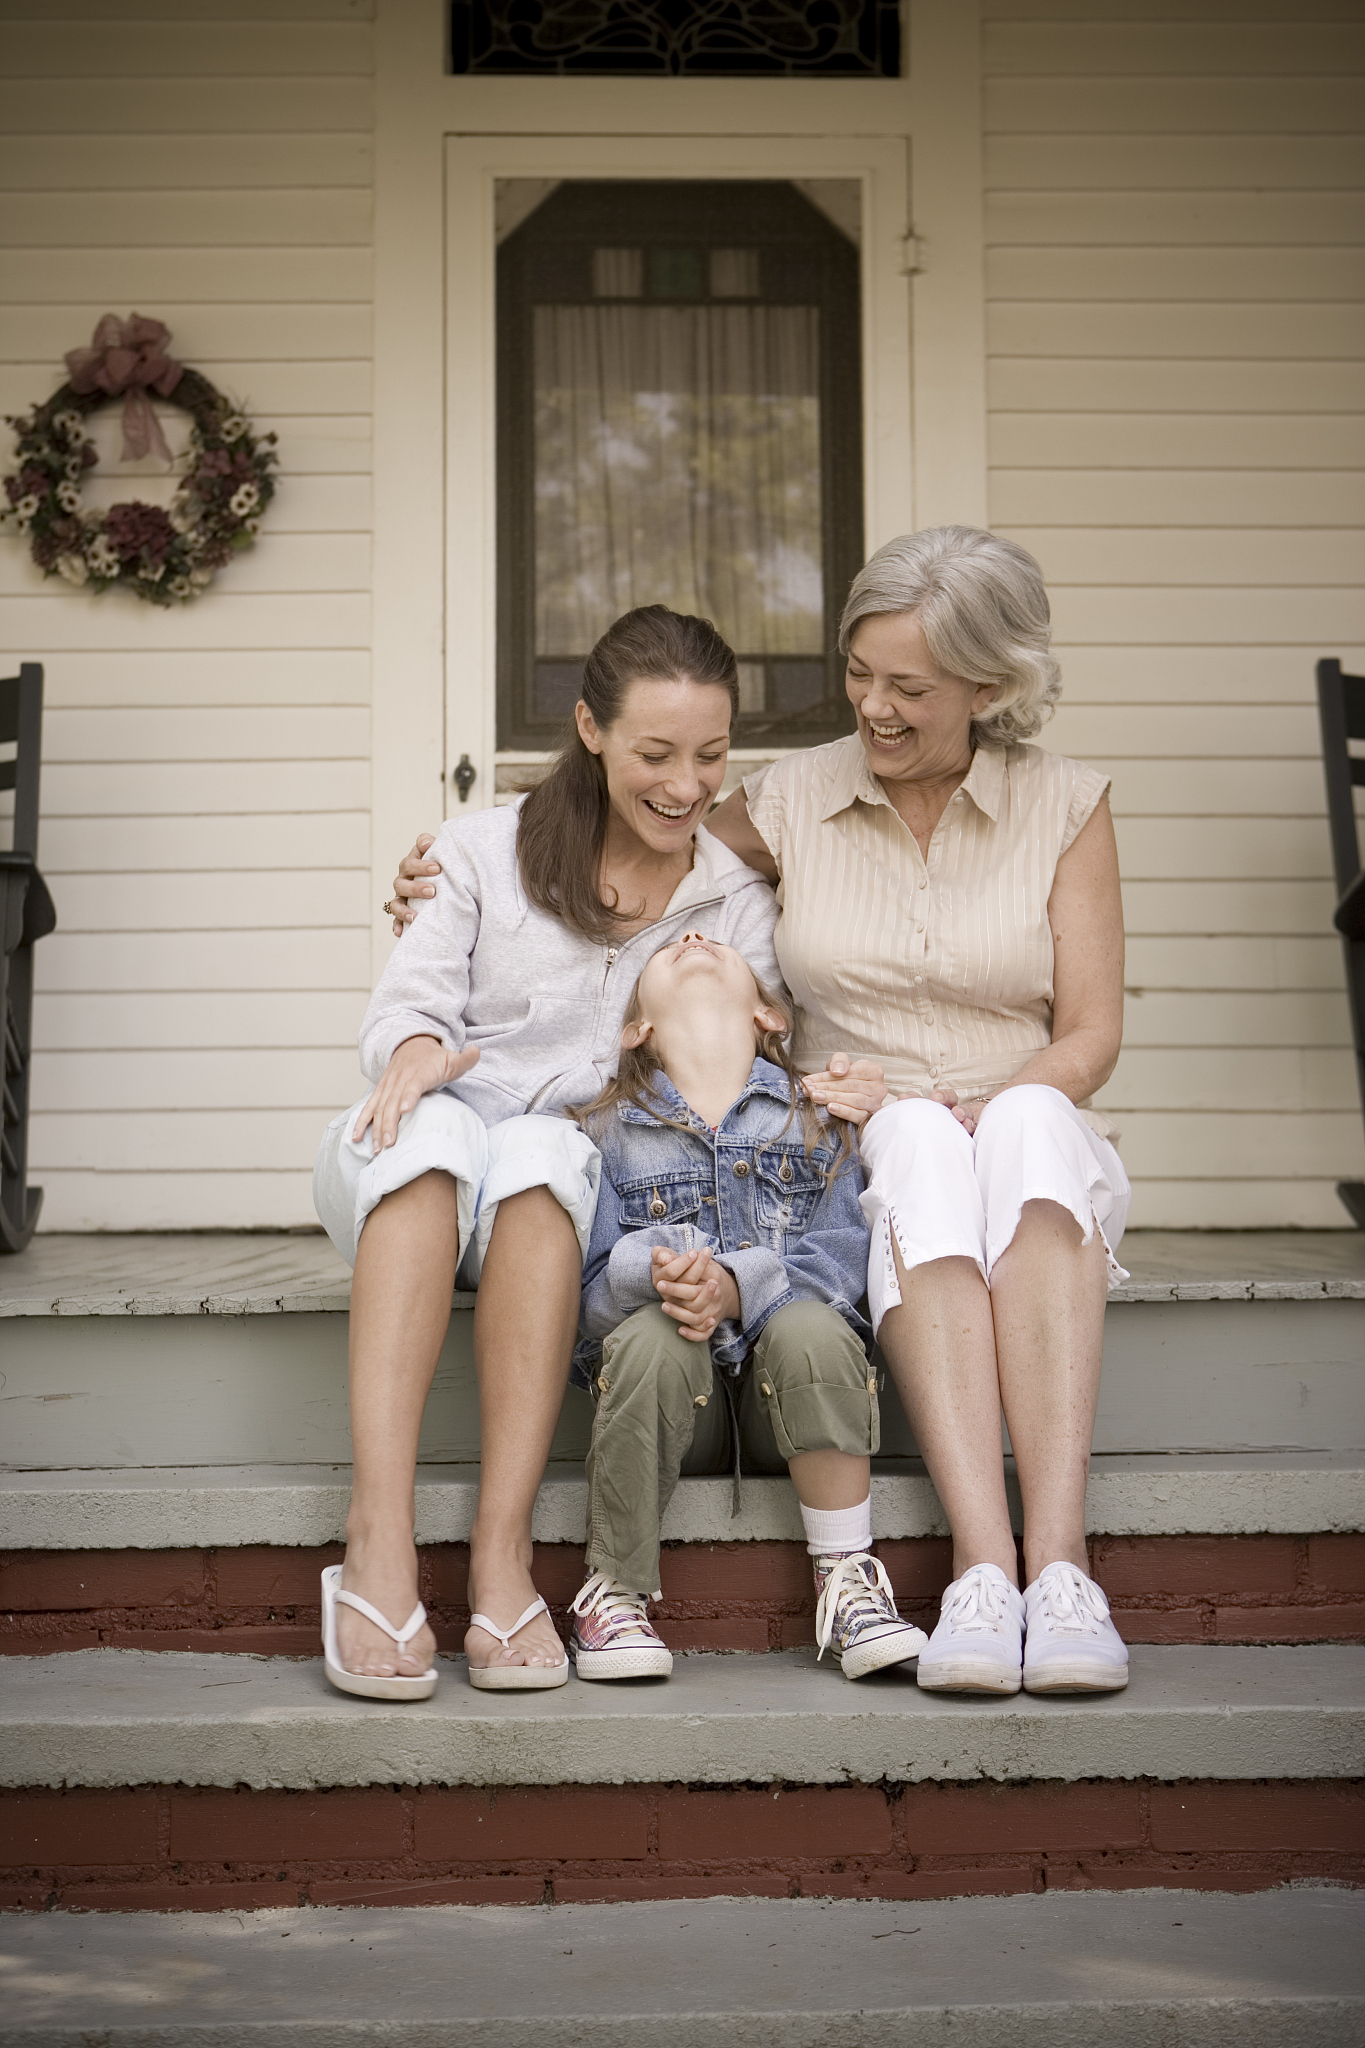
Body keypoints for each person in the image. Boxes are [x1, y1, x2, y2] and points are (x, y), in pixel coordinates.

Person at [390, 526, 1131, 1699]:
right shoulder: (790, 799)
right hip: (861, 1127)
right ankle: (985, 1568)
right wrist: (460, 875)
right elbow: (640, 843)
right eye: (859, 673)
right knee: (916, 1138)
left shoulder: (1067, 805)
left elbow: (1090, 1031)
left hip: (1015, 1110)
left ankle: (1064, 1567)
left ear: (988, 688)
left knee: (1028, 1126)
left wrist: (995, 1103)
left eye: (908, 687)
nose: (872, 706)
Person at [315, 604, 884, 1698]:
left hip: (563, 1201)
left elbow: (753, 1056)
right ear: (590, 728)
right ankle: (377, 1537)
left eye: (711, 755)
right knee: (442, 1131)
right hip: (414, 1168)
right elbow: (408, 1007)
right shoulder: (477, 852)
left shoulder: (731, 902)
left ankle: (501, 1556)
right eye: (655, 753)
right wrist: (423, 1052)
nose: (686, 784)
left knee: (545, 1151)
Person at [563, 933, 927, 1683]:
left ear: (770, 1017)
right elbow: (588, 1298)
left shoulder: (818, 1120)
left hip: (786, 1405)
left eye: (720, 945)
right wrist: (655, 1274)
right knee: (649, 1336)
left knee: (812, 1323)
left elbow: (839, 1265)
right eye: (669, 948)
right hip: (677, 1414)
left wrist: (735, 1285)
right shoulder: (604, 1132)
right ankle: (615, 1588)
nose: (695, 938)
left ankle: (846, 1581)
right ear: (637, 1030)